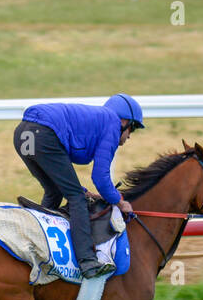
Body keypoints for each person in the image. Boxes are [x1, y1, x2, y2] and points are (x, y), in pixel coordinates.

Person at [13, 93, 144, 279]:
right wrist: (119, 200)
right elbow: (100, 177)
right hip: (43, 132)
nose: (129, 136)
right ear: (124, 121)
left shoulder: (99, 120)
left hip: (23, 133)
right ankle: (88, 262)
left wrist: (83, 190)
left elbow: (63, 178)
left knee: (54, 191)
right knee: (77, 199)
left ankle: (37, 243)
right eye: (132, 129)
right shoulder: (112, 125)